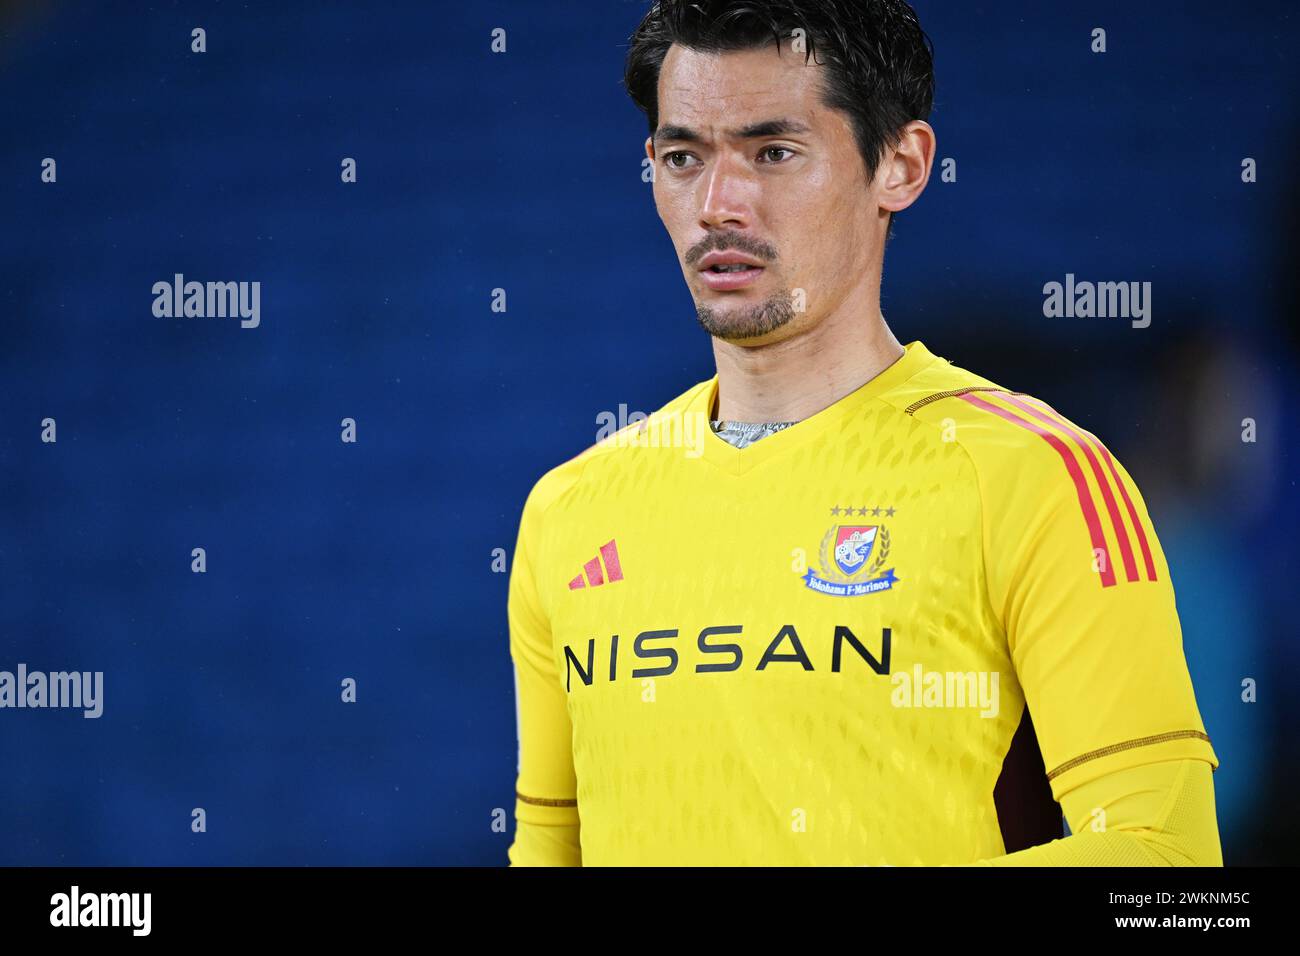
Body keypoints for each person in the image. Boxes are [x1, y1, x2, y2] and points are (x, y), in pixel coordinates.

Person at [506, 0, 1221, 866]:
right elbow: (546, 853)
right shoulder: (571, 508)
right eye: (683, 157)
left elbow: (1171, 868)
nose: (717, 205)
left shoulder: (1037, 474)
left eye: (773, 151)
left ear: (901, 164)